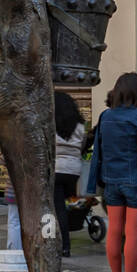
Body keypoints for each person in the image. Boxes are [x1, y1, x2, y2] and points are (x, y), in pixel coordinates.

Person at [86, 72, 137, 272]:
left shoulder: (106, 116)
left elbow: (97, 153)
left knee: (115, 231)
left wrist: (93, 184)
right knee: (133, 233)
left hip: (111, 181)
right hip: (136, 182)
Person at [53, 92, 86, 258]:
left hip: (56, 170)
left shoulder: (50, 125)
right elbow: (82, 146)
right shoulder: (79, 126)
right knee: (65, 205)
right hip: (74, 171)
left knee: (57, 209)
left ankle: (63, 245)